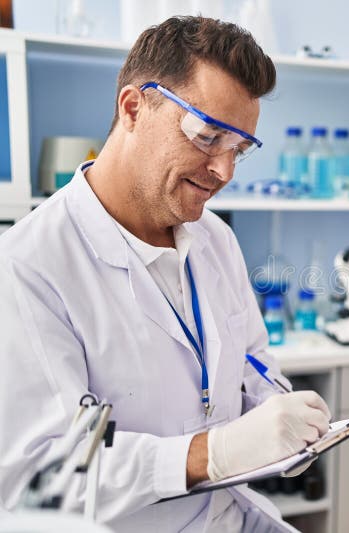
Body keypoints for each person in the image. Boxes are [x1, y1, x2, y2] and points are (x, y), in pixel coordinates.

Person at [0, 17, 331, 532]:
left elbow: (253, 365)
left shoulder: (215, 239)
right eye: (207, 135)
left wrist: (284, 416)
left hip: (230, 517)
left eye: (239, 148)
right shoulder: (29, 268)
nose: (224, 171)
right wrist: (210, 454)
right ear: (134, 108)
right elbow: (45, 479)